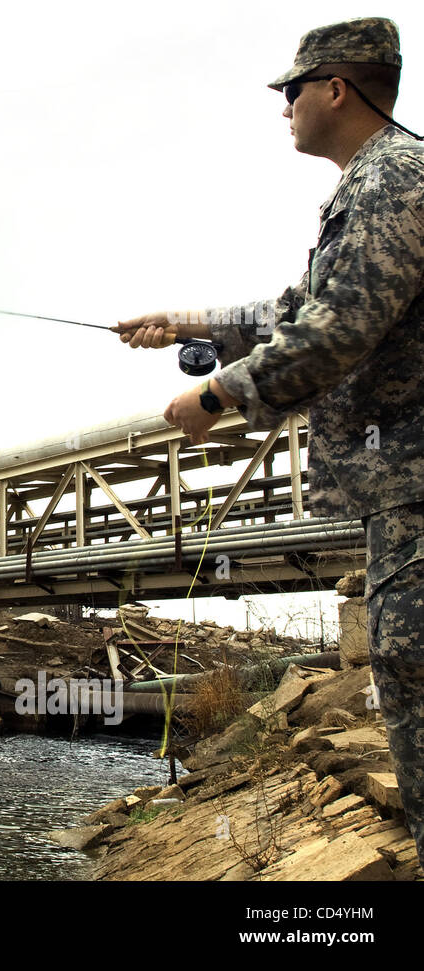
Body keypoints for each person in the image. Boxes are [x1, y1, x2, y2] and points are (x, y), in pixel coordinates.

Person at [116, 17, 424, 865]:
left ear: (337, 89)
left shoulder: (395, 179)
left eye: (292, 90)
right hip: (396, 487)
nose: (282, 106)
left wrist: (217, 393)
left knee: (414, 677)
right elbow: (293, 309)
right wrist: (189, 323)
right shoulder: (371, 185)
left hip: (413, 484)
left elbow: (339, 327)